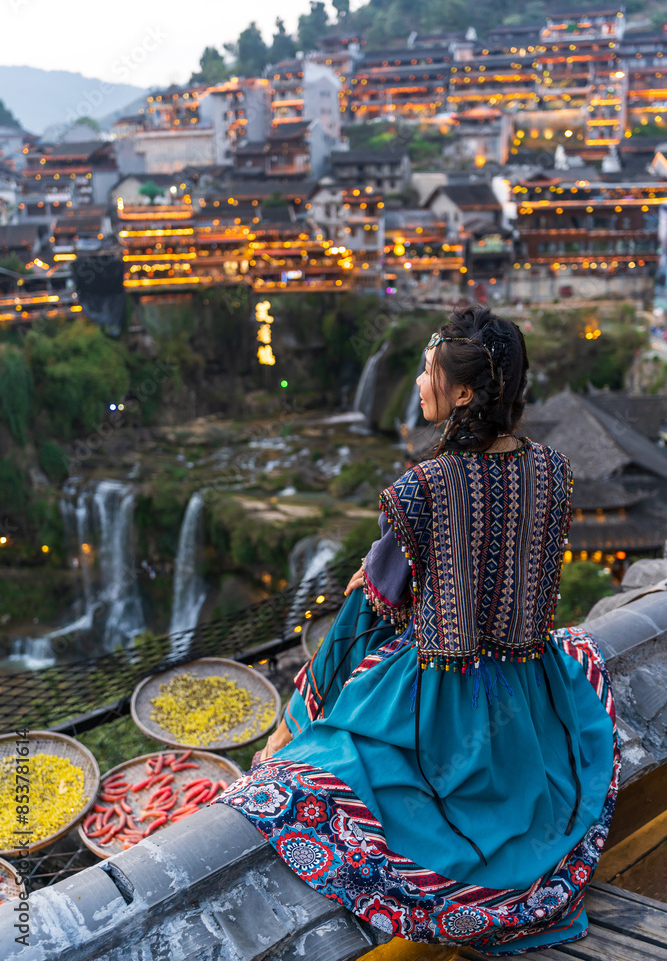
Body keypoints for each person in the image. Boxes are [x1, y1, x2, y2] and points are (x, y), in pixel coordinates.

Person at [216, 305, 619, 954]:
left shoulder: (424, 487)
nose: (418, 384)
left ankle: (290, 728)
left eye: (428, 372)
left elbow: (382, 599)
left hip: (446, 703)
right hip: (529, 690)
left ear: (462, 394)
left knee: (295, 771)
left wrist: (366, 588)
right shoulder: (553, 470)